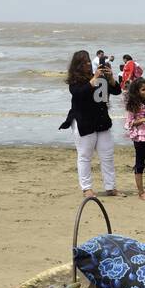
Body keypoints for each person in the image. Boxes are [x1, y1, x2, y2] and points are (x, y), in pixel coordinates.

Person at [58, 50, 120, 198]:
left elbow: (116, 91)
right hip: (83, 121)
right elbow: (79, 94)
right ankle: (87, 188)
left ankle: (110, 188)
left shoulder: (99, 76)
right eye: (84, 62)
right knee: (85, 155)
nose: (87, 64)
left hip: (102, 120)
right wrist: (94, 79)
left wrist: (110, 78)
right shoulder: (75, 81)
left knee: (107, 154)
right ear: (77, 65)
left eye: (88, 61)